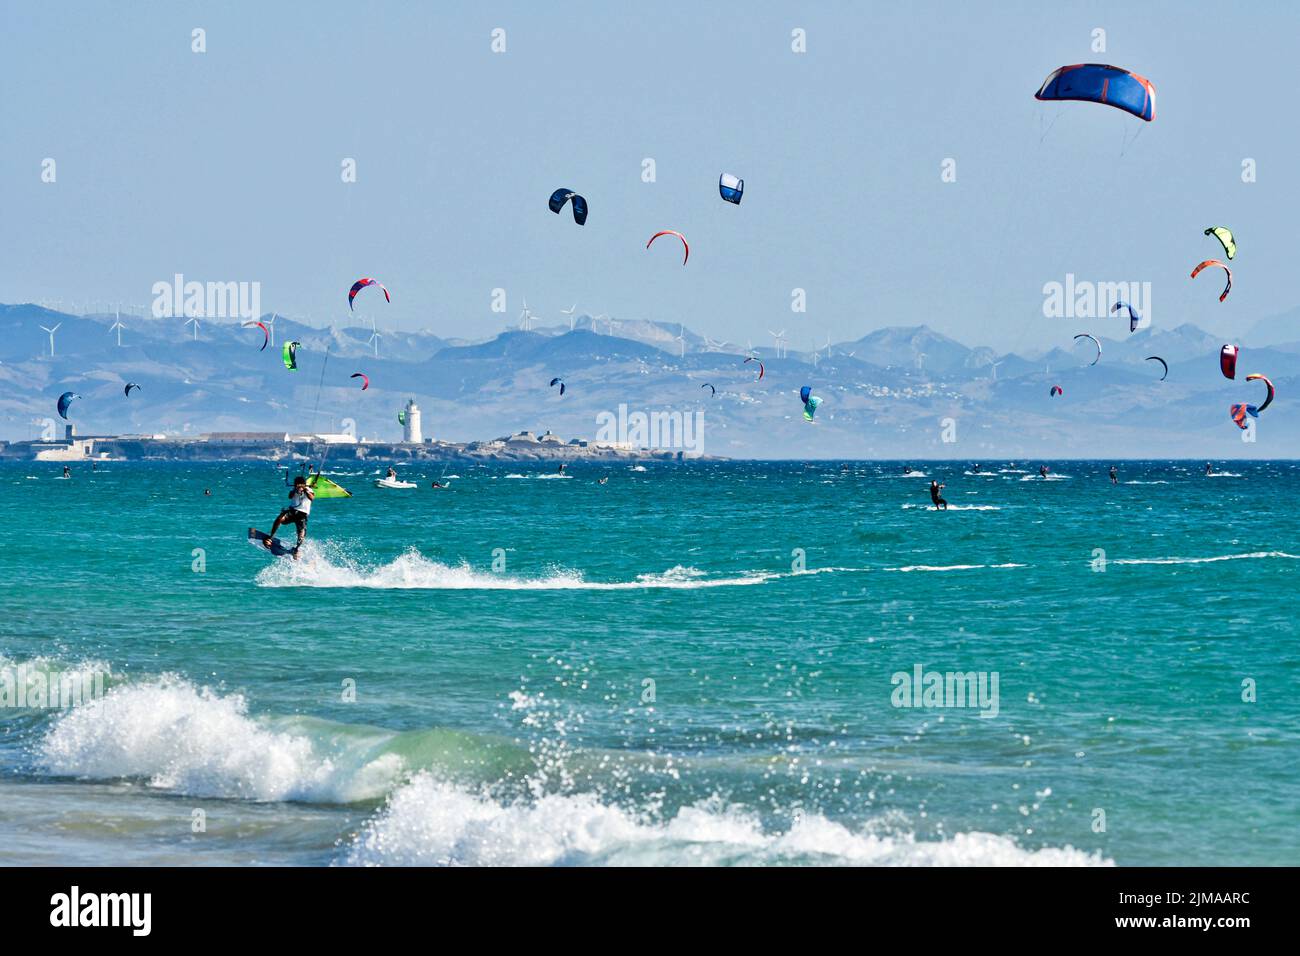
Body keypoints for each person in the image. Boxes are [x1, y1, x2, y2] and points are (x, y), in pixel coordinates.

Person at [266, 475, 314, 558]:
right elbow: (290, 496)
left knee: (301, 535)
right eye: (295, 484)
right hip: (292, 512)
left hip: (302, 515)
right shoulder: (294, 490)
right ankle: (271, 537)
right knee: (279, 518)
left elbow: (311, 498)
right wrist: (296, 489)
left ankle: (296, 549)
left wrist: (305, 489)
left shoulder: (309, 490)